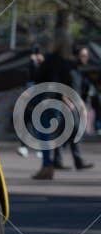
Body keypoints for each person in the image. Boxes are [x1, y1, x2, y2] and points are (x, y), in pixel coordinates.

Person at [31, 39, 91, 179]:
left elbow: (41, 78)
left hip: (47, 99)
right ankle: (56, 162)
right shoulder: (65, 63)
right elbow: (67, 82)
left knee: (45, 133)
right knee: (57, 132)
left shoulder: (51, 60)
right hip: (58, 101)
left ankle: (48, 165)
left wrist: (37, 66)